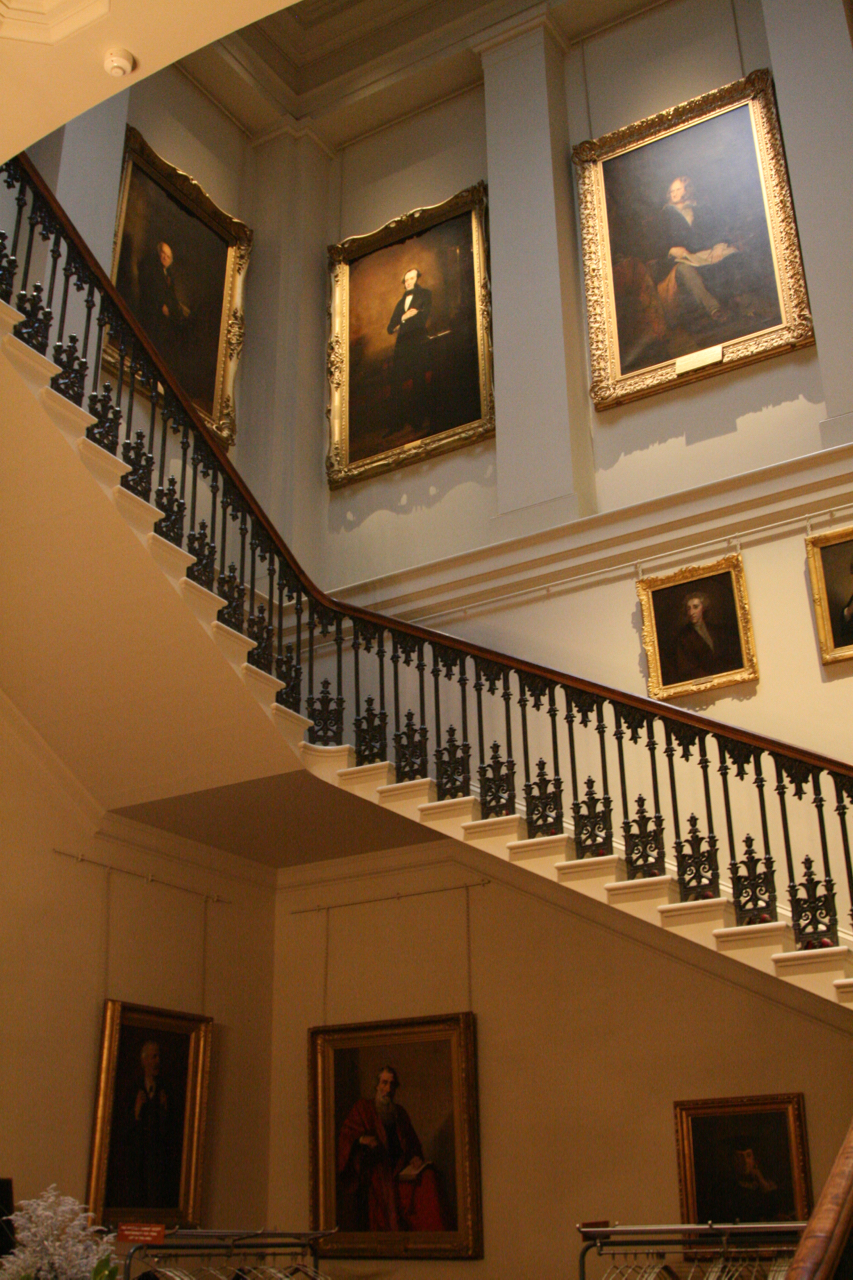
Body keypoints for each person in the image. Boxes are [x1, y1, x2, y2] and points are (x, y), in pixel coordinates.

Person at [337, 1065, 446, 1232]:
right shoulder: (363, 1108)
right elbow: (346, 1135)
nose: (388, 1089)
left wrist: (415, 1157)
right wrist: (361, 1139)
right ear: (377, 1085)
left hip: (401, 1172)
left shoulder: (400, 1113)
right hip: (377, 1174)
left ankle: (437, 1237)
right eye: (384, 1083)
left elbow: (412, 1144)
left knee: (429, 1178)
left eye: (392, 1084)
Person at [656, 176, 740, 327]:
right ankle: (714, 309)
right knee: (685, 270)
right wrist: (670, 250)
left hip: (706, 253)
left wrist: (718, 246)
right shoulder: (664, 215)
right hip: (682, 259)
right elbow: (655, 243)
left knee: (732, 255)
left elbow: (718, 230)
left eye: (678, 189)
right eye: (672, 190)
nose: (674, 193)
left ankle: (740, 300)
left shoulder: (700, 208)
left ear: (687, 190)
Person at [108, 1039, 178, 1208]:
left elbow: (171, 1134)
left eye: (158, 1057)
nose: (157, 1061)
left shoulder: (165, 1090)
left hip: (157, 1165)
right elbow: (123, 1132)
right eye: (153, 1057)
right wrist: (136, 1112)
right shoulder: (133, 1090)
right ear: (144, 1061)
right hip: (136, 1164)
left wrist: (164, 1110)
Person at [386, 267, 432, 433]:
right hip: (402, 347)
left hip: (418, 344)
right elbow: (390, 328)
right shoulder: (400, 303)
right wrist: (404, 318)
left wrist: (410, 319)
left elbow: (423, 318)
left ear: (417, 279)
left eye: (411, 279)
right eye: (406, 280)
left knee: (418, 381)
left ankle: (418, 421)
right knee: (397, 383)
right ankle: (395, 424)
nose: (408, 282)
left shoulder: (425, 294)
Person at [137, 239, 191, 358]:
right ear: (159, 253)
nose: (165, 258)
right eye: (163, 254)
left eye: (168, 256)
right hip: (152, 312)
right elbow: (148, 289)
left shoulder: (169, 275)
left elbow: (171, 296)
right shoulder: (152, 269)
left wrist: (178, 309)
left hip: (164, 315)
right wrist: (161, 305)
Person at [674, 590, 741, 681]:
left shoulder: (714, 629)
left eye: (695, 607)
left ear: (703, 608)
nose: (691, 612)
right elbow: (687, 668)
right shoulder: (684, 636)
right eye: (689, 608)